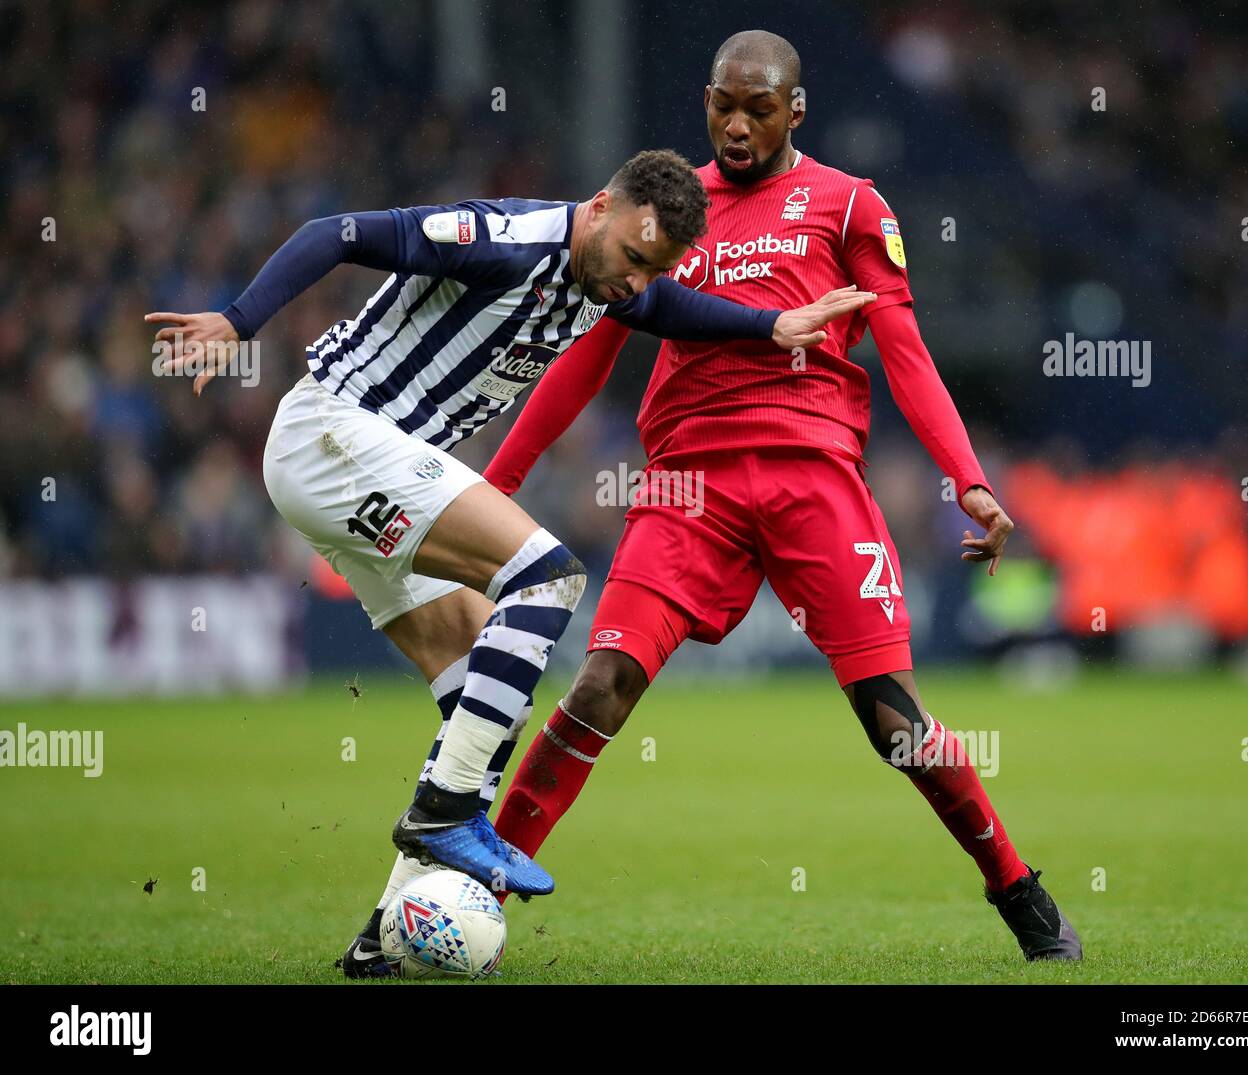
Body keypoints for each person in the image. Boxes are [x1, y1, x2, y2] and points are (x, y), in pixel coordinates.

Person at [145, 147, 872, 975]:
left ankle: (383, 938)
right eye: (633, 258)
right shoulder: (504, 238)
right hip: (335, 434)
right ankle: (444, 812)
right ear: (599, 208)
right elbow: (335, 232)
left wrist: (770, 325)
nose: (634, 283)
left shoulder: (611, 282)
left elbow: (669, 306)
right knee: (549, 576)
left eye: (652, 268)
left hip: (358, 466)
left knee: (486, 703)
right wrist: (236, 323)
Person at [482, 33, 1082, 963]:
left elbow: (907, 351)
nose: (736, 123)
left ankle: (1018, 889)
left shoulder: (848, 204)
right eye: (724, 103)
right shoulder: (667, 204)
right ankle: (478, 886)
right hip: (690, 483)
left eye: (759, 108)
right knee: (600, 681)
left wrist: (968, 478)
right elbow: (588, 353)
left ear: (795, 111)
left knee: (893, 720)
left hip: (814, 479)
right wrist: (498, 484)